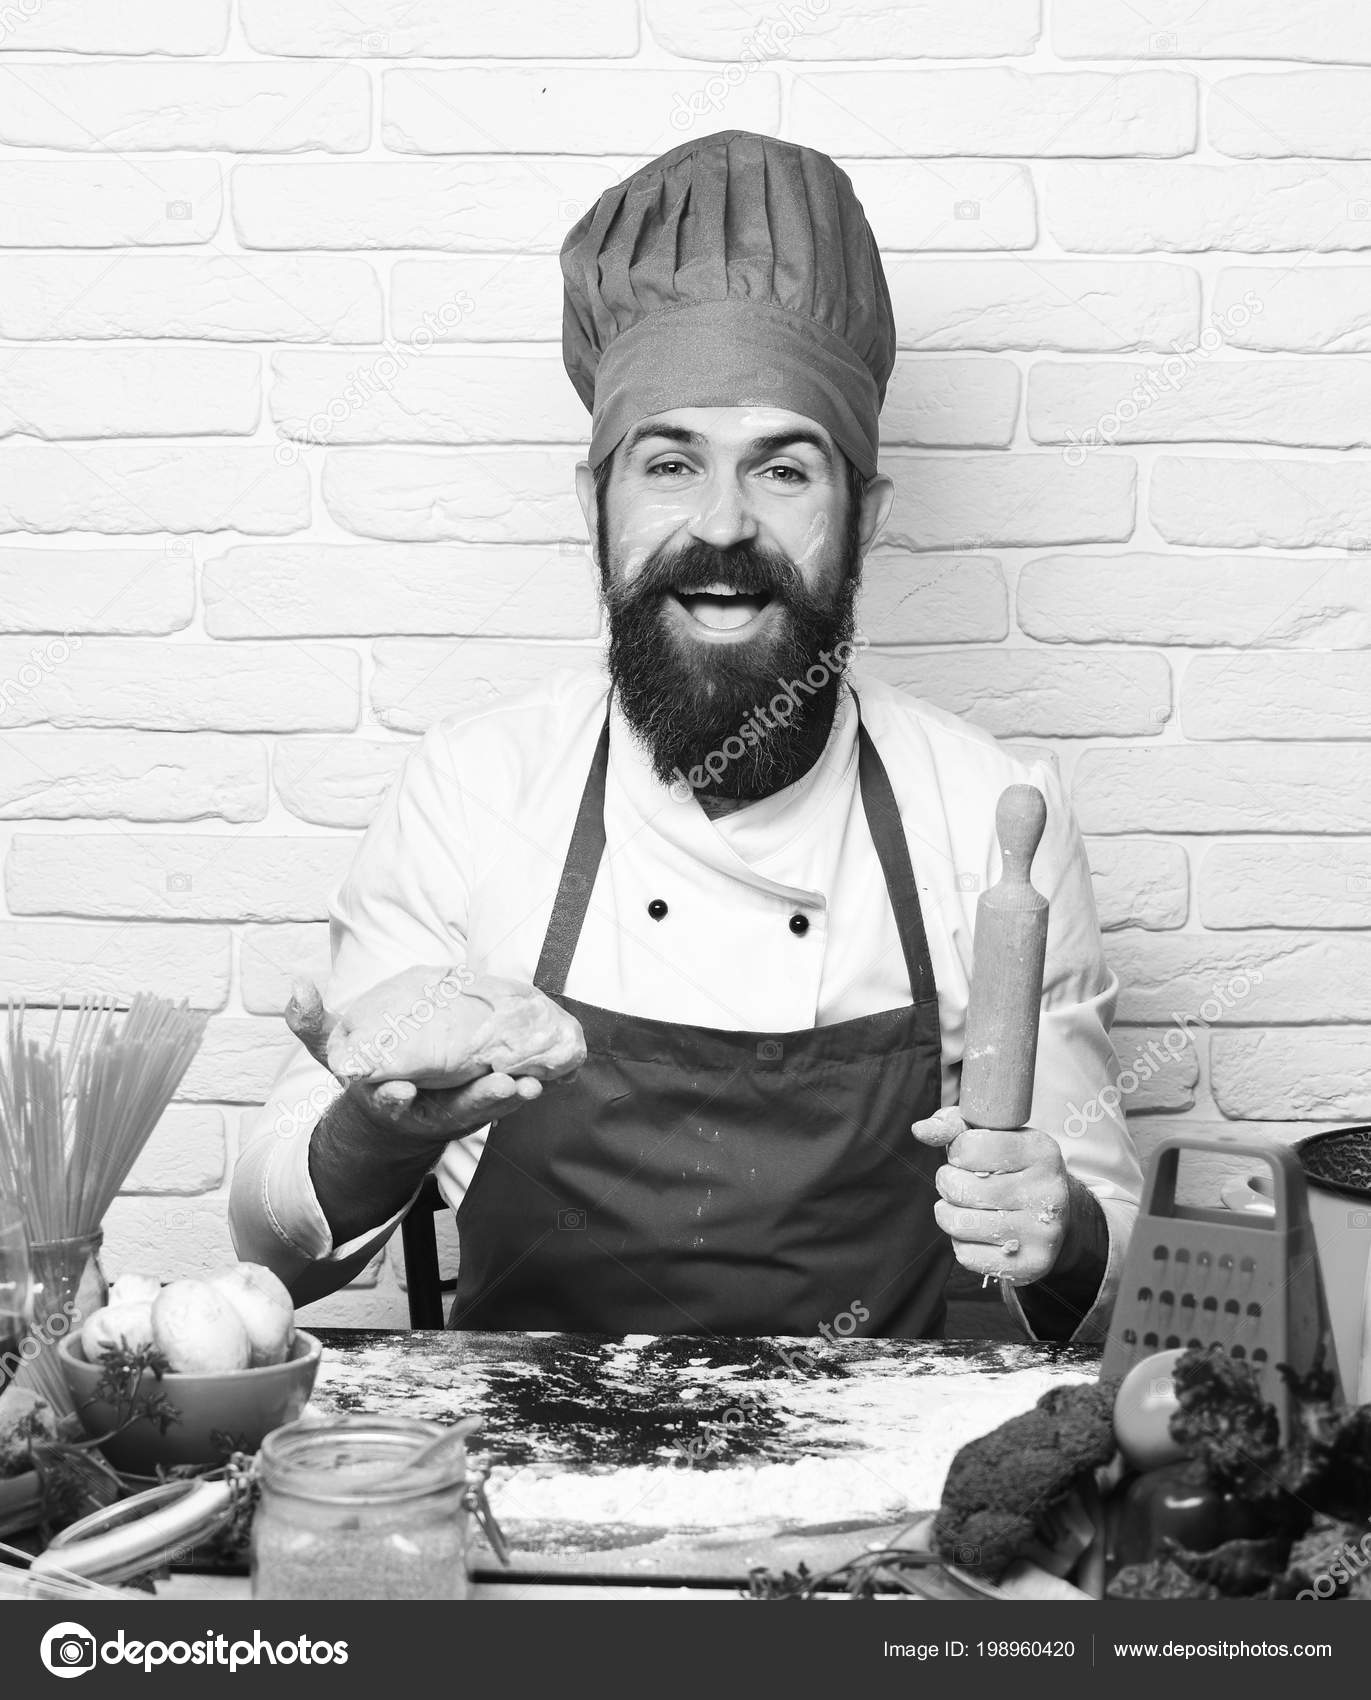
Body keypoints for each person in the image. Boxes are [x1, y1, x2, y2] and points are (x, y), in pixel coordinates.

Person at [230, 130, 1140, 1343]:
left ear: (863, 513)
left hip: (883, 1509)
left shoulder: (990, 813)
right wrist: (376, 1130)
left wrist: (1065, 1228)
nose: (722, 524)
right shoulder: (475, 789)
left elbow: (1112, 1268)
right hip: (526, 1487)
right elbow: (271, 1249)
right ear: (593, 506)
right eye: (670, 463)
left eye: (783, 470)